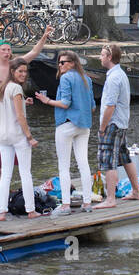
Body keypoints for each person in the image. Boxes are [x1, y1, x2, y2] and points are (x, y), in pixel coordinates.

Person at [0, 26, 52, 189]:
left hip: (12, 118)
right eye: (3, 50)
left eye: (9, 49)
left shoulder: (15, 66)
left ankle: (7, 189)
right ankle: (0, 188)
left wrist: (44, 36)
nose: (7, 53)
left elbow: (34, 53)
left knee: (12, 161)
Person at [35, 50, 96, 216]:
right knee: (83, 163)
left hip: (66, 124)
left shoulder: (66, 78)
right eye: (59, 62)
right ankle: (87, 202)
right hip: (84, 126)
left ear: (73, 63)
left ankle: (66, 205)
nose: (60, 65)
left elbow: (65, 103)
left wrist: (47, 101)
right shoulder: (87, 79)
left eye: (63, 62)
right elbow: (92, 106)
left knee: (64, 166)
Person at [97, 43, 139, 206]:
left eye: (102, 55)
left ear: (109, 57)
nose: (100, 57)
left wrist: (102, 128)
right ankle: (136, 191)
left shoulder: (114, 78)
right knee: (124, 157)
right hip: (122, 123)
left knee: (108, 160)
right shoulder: (120, 74)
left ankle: (110, 199)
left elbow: (110, 106)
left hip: (113, 124)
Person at [0, 57, 39, 220]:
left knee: (6, 173)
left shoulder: (3, 88)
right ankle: (31, 210)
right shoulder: (17, 90)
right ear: (12, 72)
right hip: (18, 136)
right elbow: (20, 116)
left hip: (3, 136)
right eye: (20, 71)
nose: (24, 74)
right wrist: (30, 137)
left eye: (25, 71)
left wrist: (24, 103)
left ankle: (1, 211)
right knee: (25, 172)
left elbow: (10, 109)